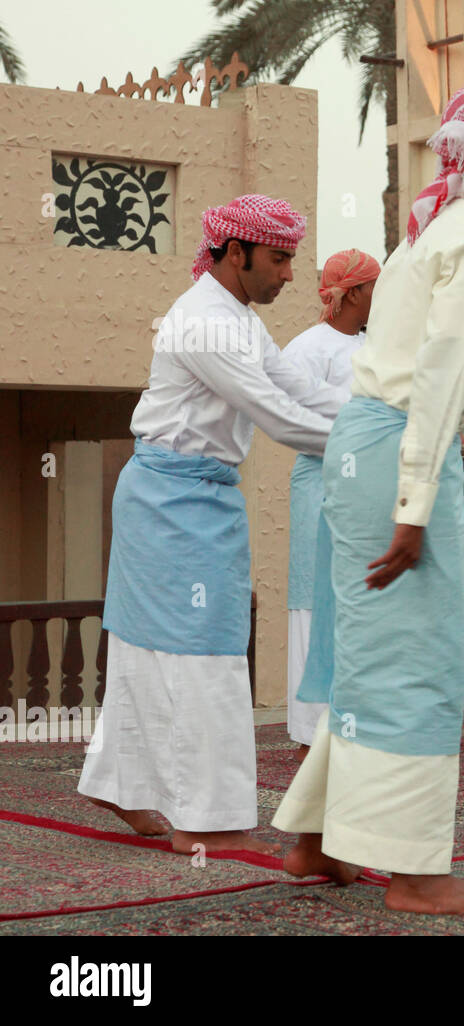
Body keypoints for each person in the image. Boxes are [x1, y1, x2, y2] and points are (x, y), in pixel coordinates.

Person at [272, 78, 464, 916]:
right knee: (416, 663)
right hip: (399, 447)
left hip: (369, 441)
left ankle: (317, 843)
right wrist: (419, 503)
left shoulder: (443, 229)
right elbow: (444, 371)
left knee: (370, 651)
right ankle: (418, 875)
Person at [79, 194, 350, 856]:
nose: (290, 275)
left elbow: (301, 389)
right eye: (280, 259)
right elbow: (278, 417)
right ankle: (209, 821)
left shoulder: (239, 318)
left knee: (161, 648)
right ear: (237, 253)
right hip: (170, 502)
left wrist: (384, 415)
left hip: (195, 500)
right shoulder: (204, 322)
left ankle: (124, 782)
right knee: (205, 653)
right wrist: (385, 447)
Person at [282, 249, 381, 761]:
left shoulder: (375, 347)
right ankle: (308, 729)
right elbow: (291, 420)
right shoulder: (306, 348)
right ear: (355, 293)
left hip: (364, 486)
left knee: (353, 598)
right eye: (374, 287)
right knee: (312, 598)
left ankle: (348, 722)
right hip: (319, 480)